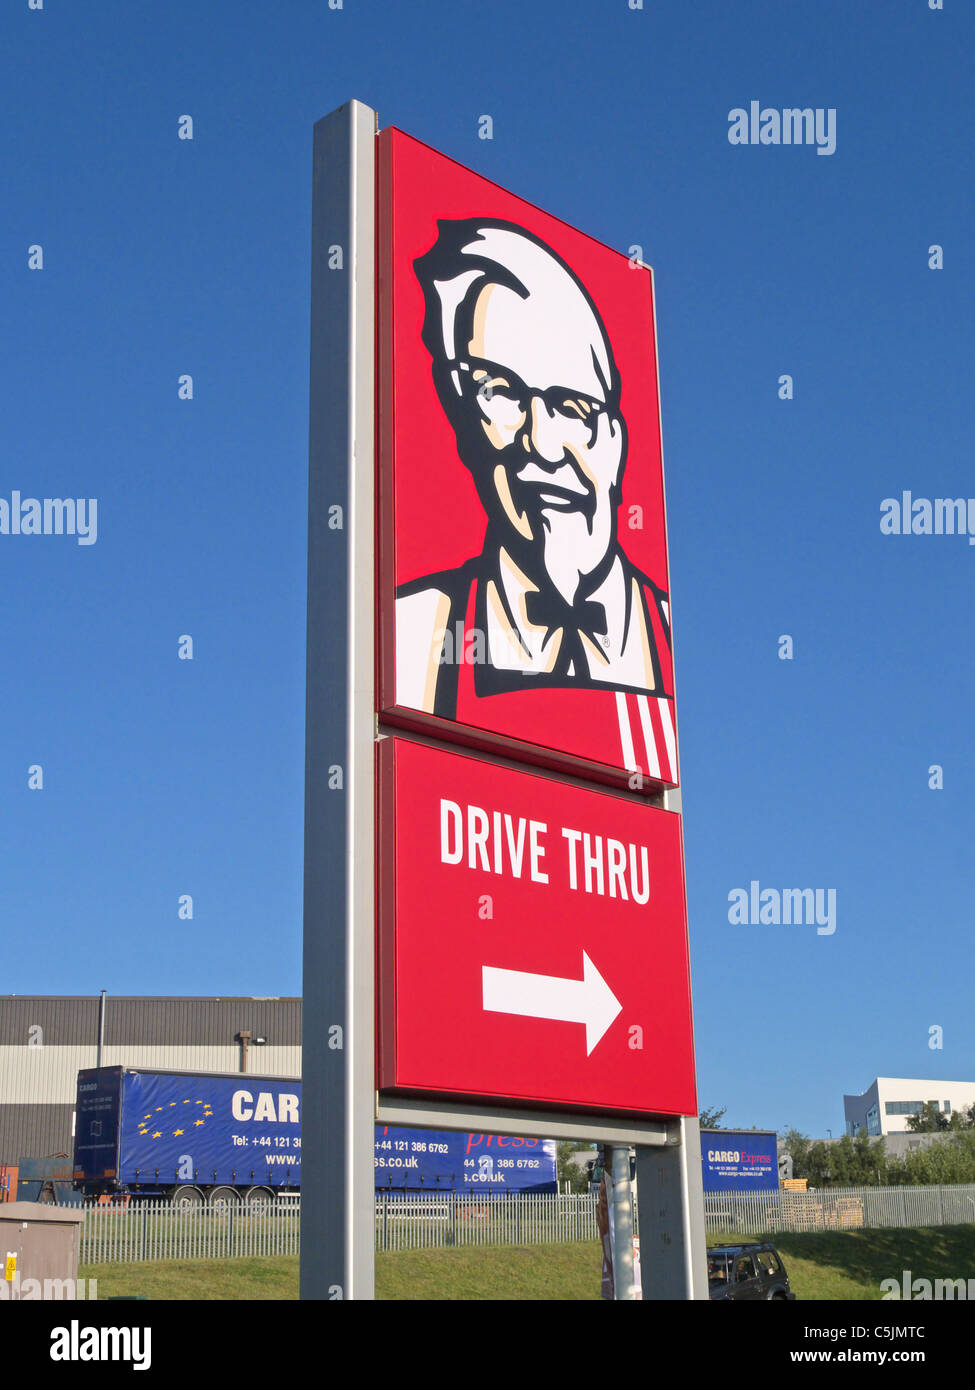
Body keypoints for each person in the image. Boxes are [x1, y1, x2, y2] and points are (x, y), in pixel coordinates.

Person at [395, 218, 676, 781]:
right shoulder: (415, 635)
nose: (542, 445)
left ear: (617, 442)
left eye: (573, 405)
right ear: (464, 422)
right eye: (502, 394)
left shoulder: (668, 644)